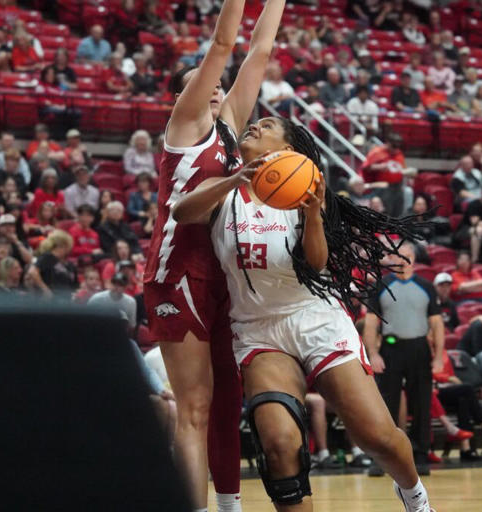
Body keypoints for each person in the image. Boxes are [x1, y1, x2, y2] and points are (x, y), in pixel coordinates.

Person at [172, 119, 436, 511]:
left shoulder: (307, 186)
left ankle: (415, 496)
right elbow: (181, 211)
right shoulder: (224, 190)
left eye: (268, 124)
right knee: (278, 444)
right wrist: (235, 179)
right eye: (256, 122)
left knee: (377, 436)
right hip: (259, 330)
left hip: (316, 319)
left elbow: (317, 264)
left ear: (290, 148)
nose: (256, 125)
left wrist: (313, 214)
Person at [142, 1, 286, 509]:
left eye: (218, 85)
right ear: (183, 94)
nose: (217, 87)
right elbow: (225, 46)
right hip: (176, 270)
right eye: (204, 81)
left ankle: (230, 506)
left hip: (221, 272)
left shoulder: (228, 128)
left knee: (228, 402)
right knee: (195, 407)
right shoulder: (184, 124)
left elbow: (260, 52)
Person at [361, 242, 444, 475]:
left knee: (421, 403)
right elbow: (370, 321)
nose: (401, 260)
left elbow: (437, 324)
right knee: (386, 405)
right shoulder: (381, 285)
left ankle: (420, 455)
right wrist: (373, 354)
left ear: (413, 260)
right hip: (390, 348)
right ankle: (383, 457)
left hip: (419, 348)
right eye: (397, 256)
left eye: (405, 256)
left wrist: (438, 357)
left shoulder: (426, 287)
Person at [26, 229, 77, 300]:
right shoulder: (48, 257)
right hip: (51, 303)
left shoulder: (69, 265)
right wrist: (45, 290)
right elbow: (32, 272)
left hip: (64, 303)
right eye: (65, 246)